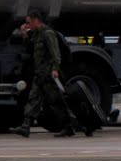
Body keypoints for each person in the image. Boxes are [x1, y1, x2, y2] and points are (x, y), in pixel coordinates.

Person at [16, 10, 78, 138]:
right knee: (33, 99)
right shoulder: (36, 34)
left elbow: (55, 53)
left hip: (49, 74)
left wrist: (55, 69)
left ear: (36, 20)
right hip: (40, 74)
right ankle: (25, 126)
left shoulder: (48, 33)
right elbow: (29, 49)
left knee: (56, 101)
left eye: (28, 23)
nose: (27, 25)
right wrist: (24, 34)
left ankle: (68, 127)